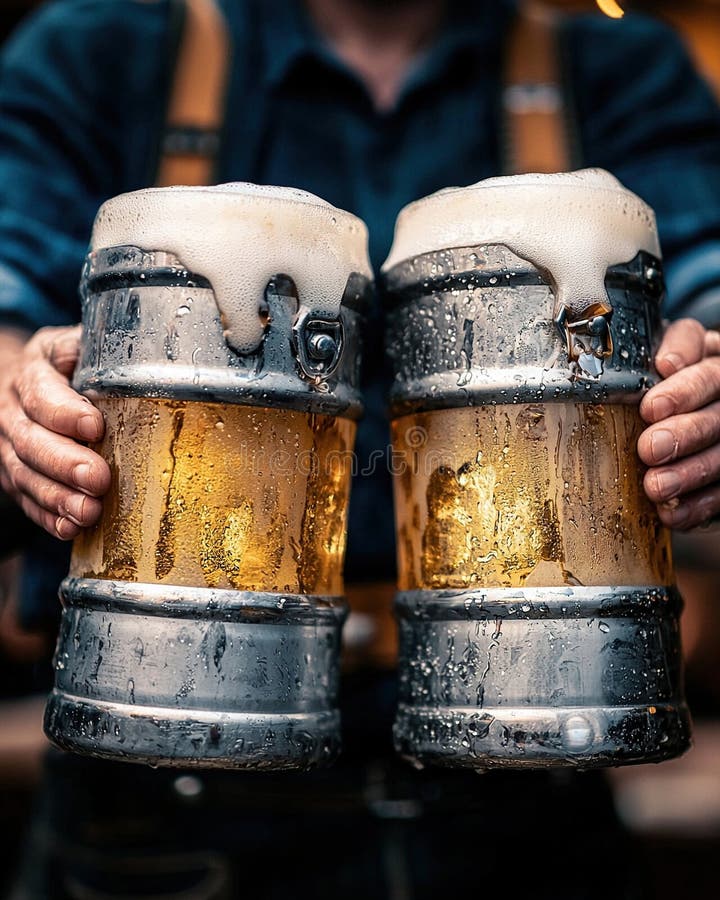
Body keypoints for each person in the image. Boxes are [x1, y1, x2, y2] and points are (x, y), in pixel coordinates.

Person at [0, 1, 719, 897]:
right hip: (154, 794)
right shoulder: (103, 47)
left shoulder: (619, 64)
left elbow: (708, 280)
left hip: (539, 774)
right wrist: (15, 393)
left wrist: (707, 384)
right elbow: (6, 295)